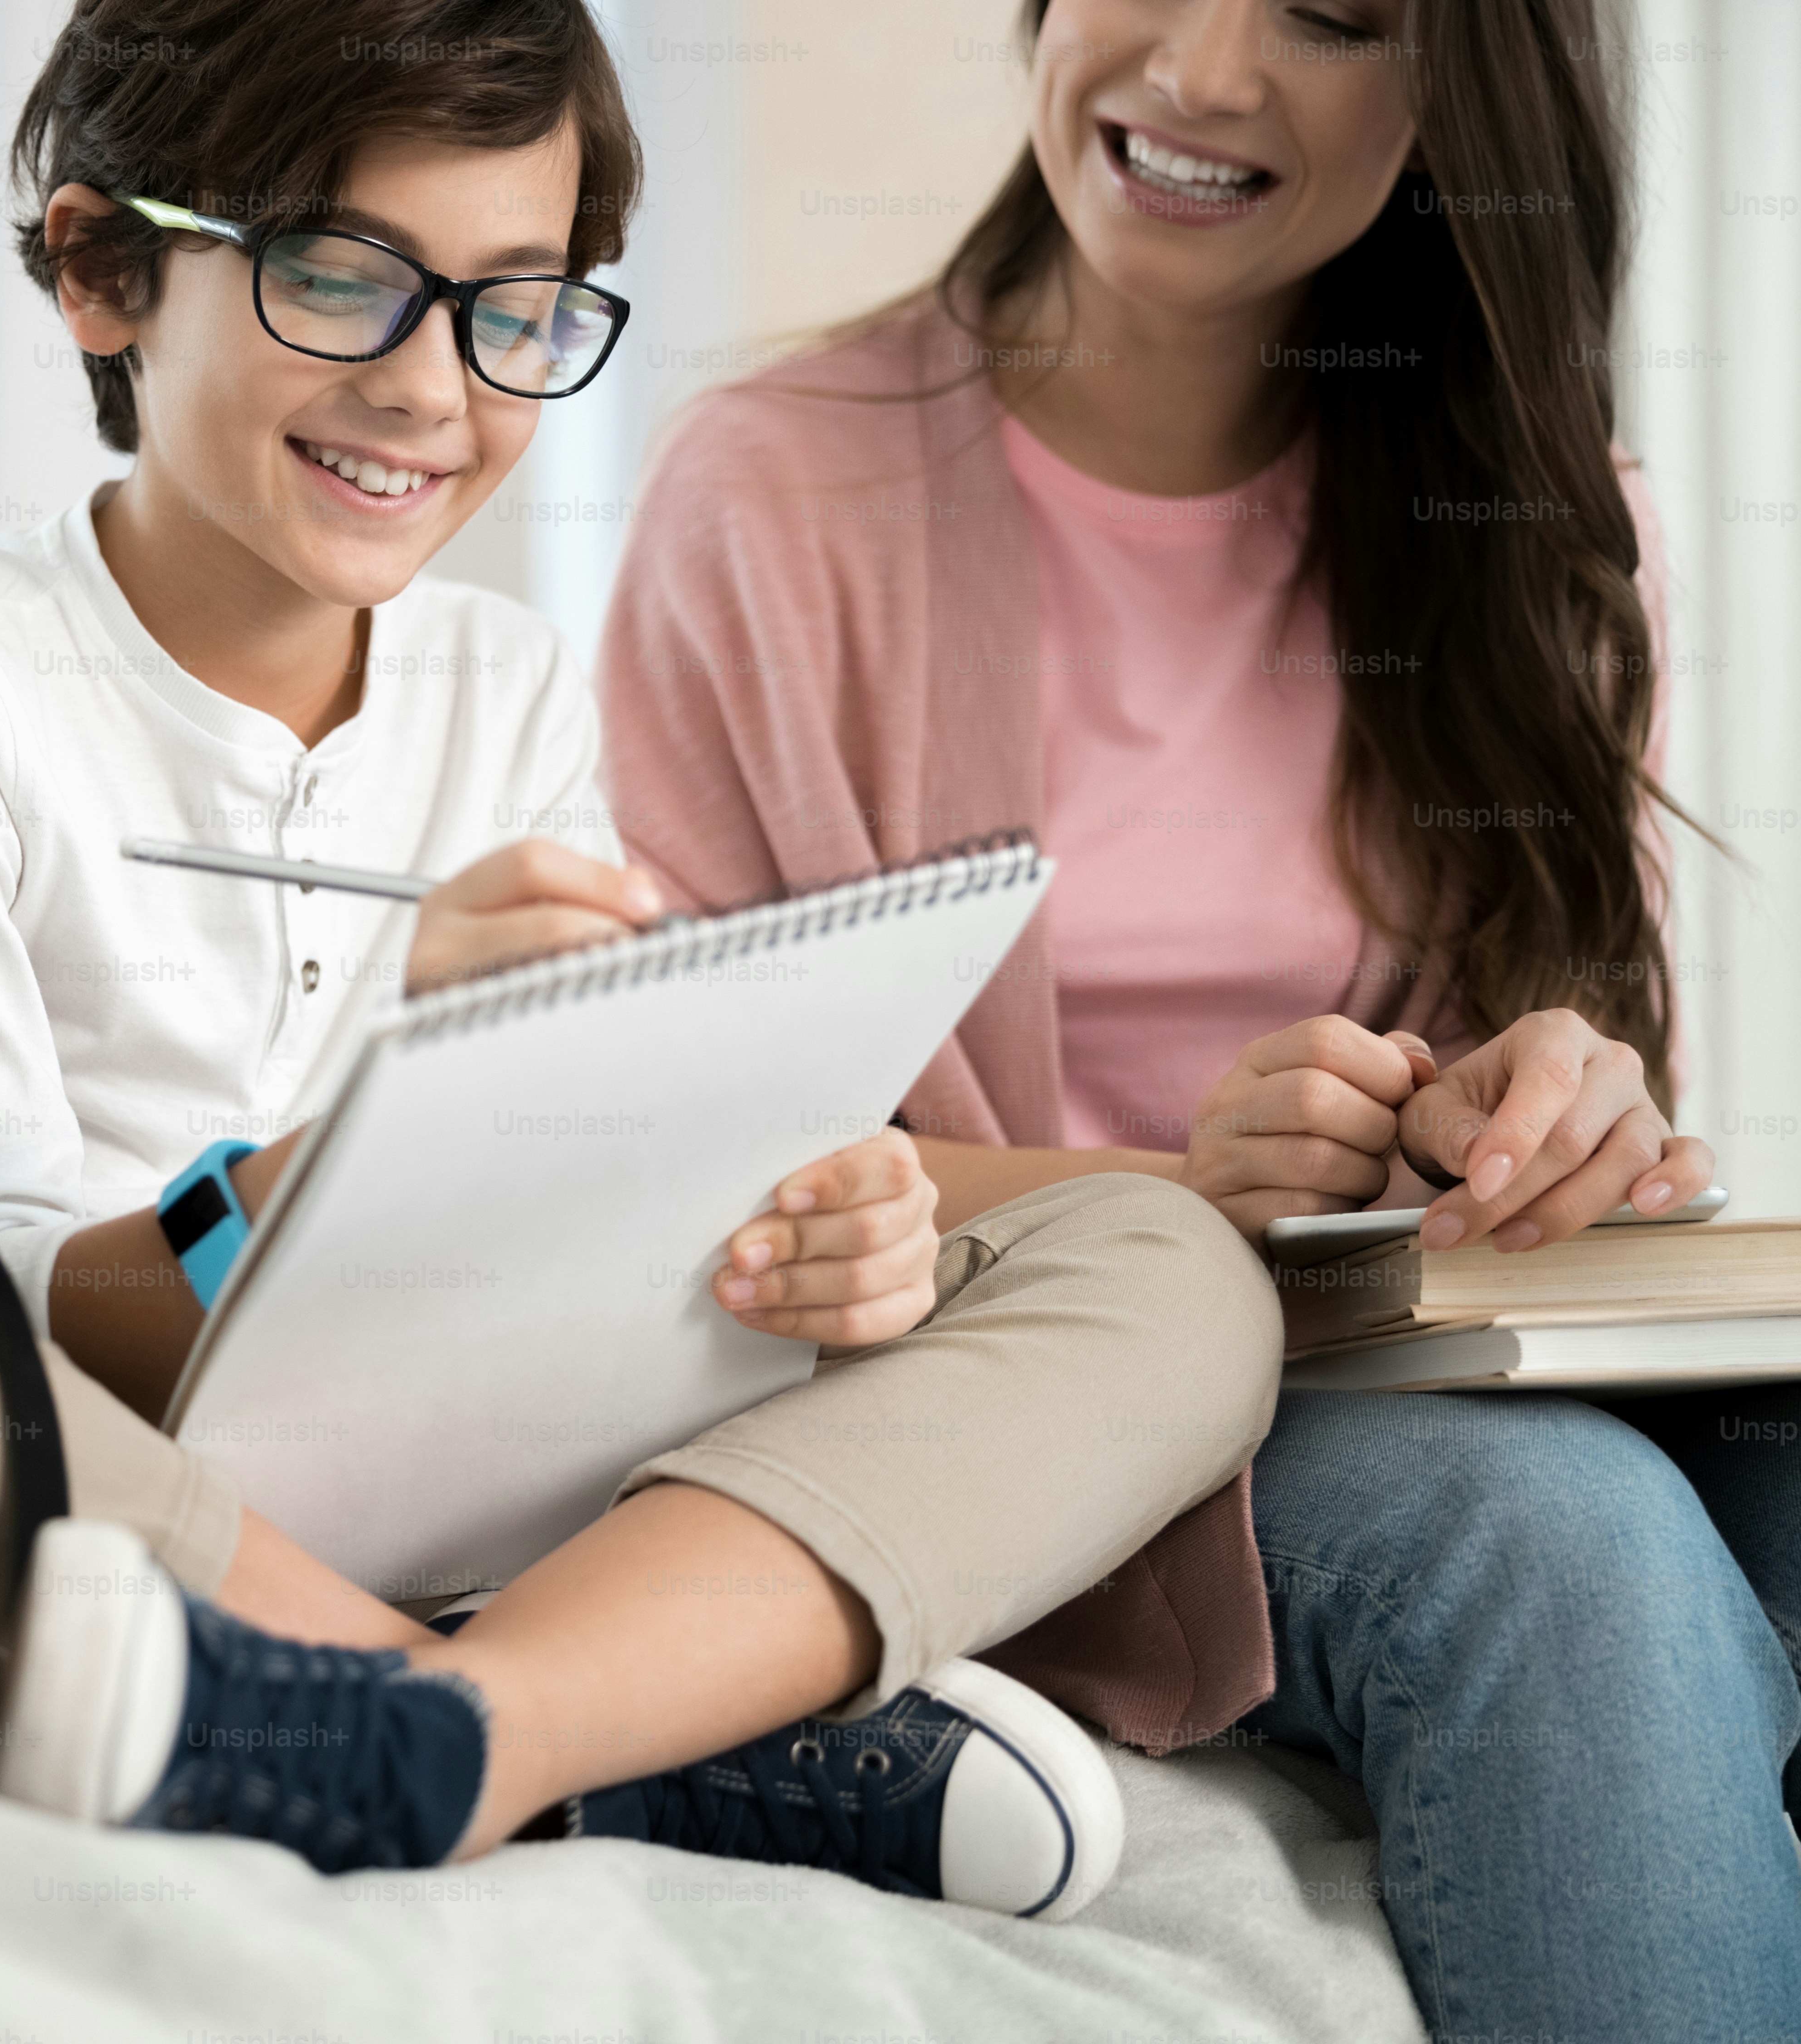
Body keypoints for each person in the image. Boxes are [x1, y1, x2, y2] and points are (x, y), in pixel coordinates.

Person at [0, 0, 1282, 1912]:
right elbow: (1, 1306)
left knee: (1177, 1271)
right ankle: (553, 1724)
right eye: (341, 279)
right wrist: (366, 1140)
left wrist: (823, 1224)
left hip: (460, 1482)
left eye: (516, 308)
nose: (433, 388)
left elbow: (602, 1245)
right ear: (105, 270)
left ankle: (450, 1727)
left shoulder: (512, 690)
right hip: (36, 1494)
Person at [598, 0, 1801, 2028]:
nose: (1206, 69)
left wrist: (1538, 1100)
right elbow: (699, 1169)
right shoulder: (777, 495)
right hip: (994, 1393)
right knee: (1563, 1545)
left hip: (1391, 1365)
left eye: (1332, 14)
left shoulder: (1542, 526)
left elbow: (1556, 1061)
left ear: (1453, 101)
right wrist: (1172, 1194)